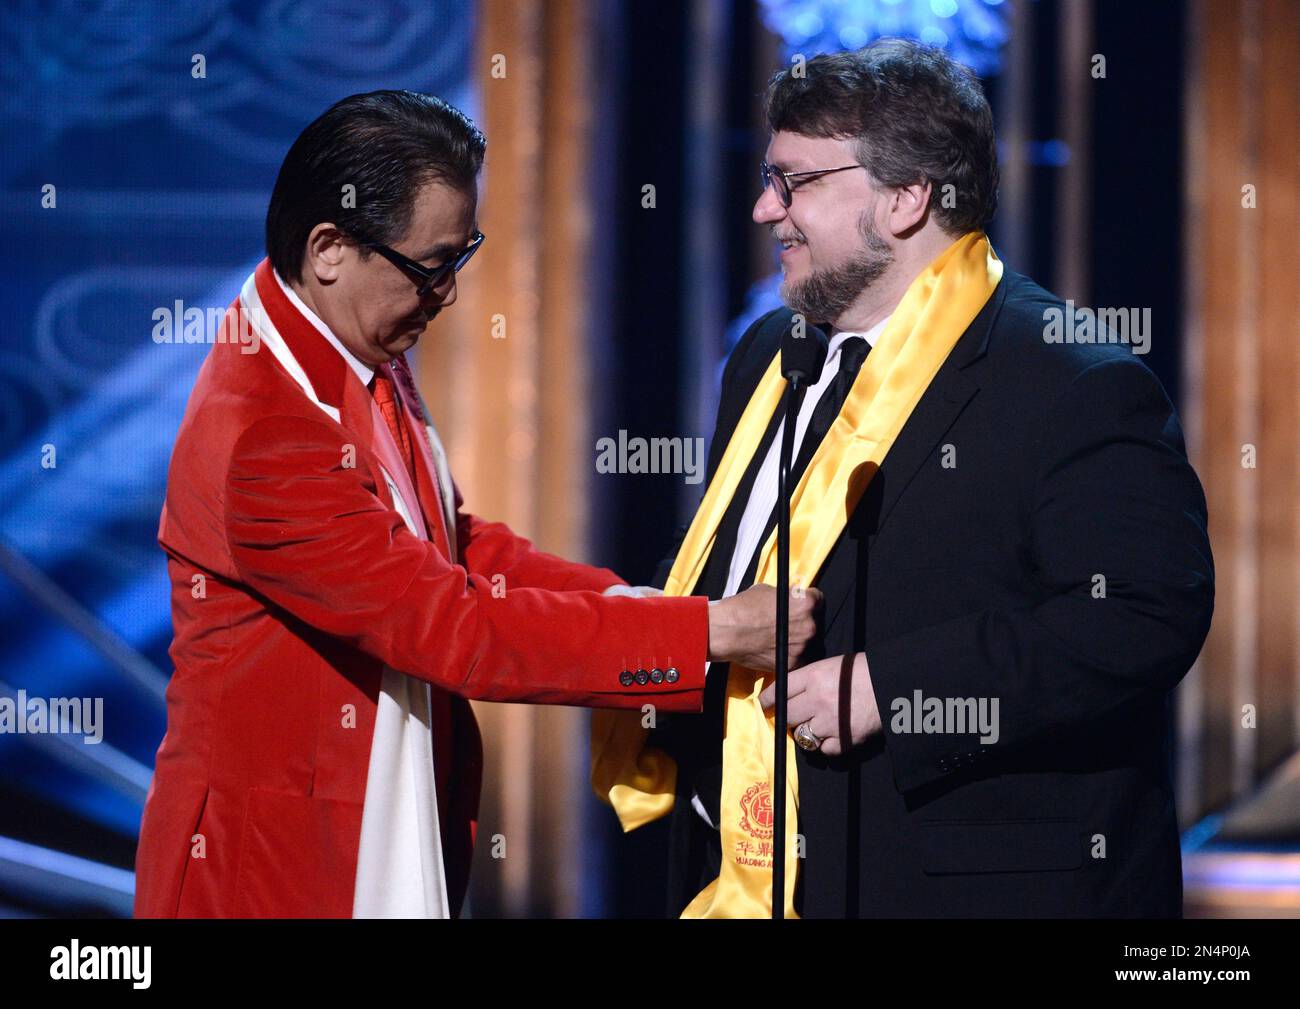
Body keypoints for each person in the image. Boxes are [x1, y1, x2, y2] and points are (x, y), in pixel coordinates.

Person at [134, 90, 817, 919]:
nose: (446, 295)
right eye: (431, 266)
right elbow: (454, 628)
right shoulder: (265, 433)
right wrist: (706, 634)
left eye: (463, 257)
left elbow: (452, 544)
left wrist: (641, 605)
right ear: (328, 248)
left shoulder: (345, 342)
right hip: (279, 871)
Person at [593, 39, 1214, 918]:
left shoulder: (1072, 378)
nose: (768, 211)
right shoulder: (771, 353)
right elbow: (752, 553)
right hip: (742, 873)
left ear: (908, 197)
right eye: (771, 179)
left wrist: (895, 687)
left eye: (795, 182)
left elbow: (1141, 618)